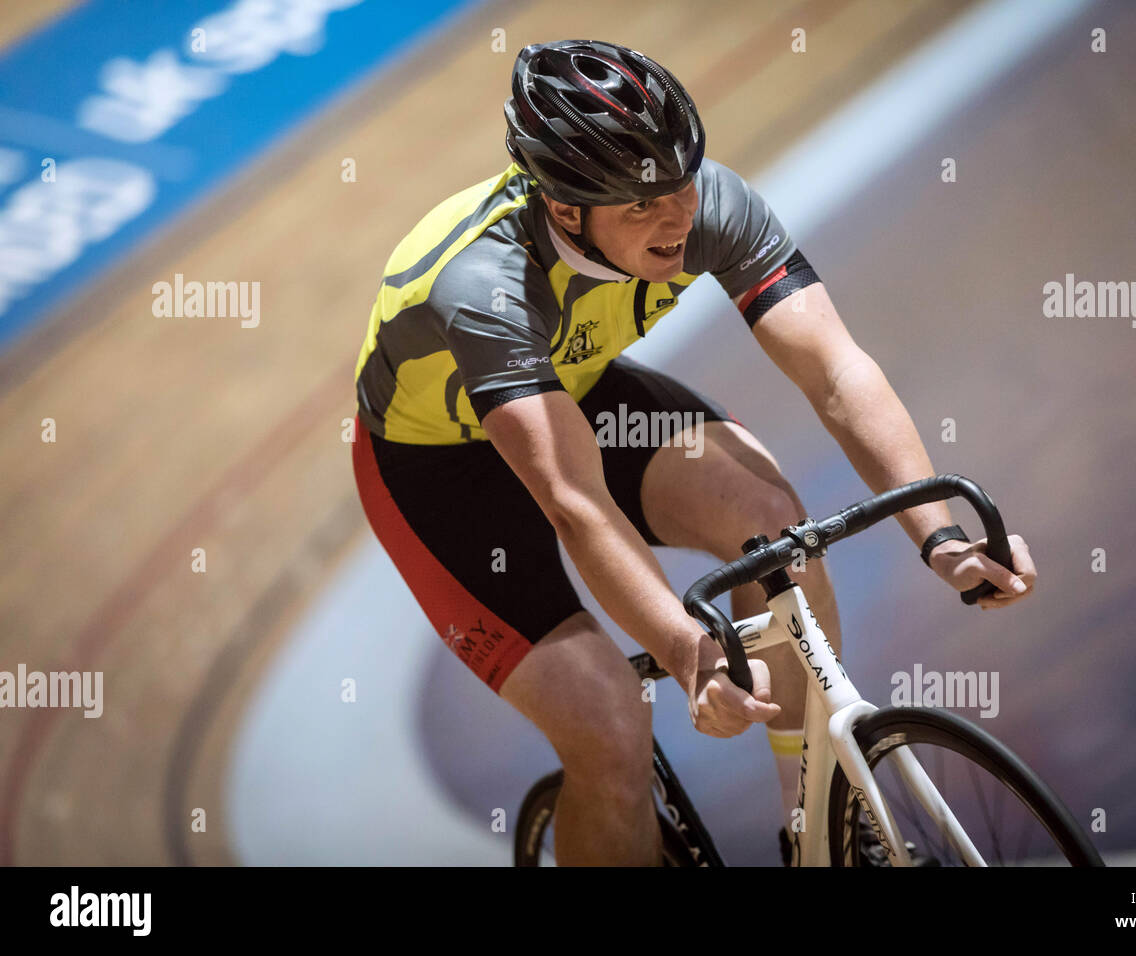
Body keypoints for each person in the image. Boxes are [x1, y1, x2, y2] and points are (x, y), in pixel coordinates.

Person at [350, 39, 1036, 866]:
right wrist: (691, 655)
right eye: (639, 207)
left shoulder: (708, 205)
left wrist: (942, 535)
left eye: (678, 185)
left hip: (576, 396)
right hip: (439, 474)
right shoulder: (482, 282)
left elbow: (836, 370)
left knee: (771, 530)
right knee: (609, 726)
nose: (675, 219)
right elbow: (573, 501)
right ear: (566, 208)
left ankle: (813, 822)